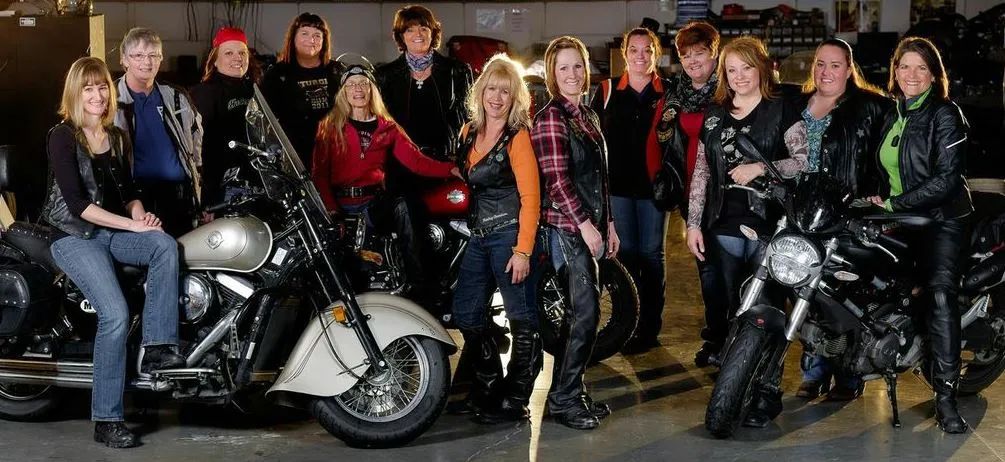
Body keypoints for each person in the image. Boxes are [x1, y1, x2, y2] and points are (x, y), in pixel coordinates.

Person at [43, 57, 184, 449]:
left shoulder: (117, 136)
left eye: (102, 86)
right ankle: (106, 420)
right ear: (75, 93)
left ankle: (157, 348)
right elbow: (77, 205)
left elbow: (129, 192)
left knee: (164, 244)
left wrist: (142, 217)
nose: (97, 95)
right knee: (116, 314)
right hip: (73, 236)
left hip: (110, 231)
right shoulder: (62, 136)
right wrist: (130, 225)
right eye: (88, 88)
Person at [685, 36, 809, 427]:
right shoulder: (715, 115)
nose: (739, 77)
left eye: (746, 68)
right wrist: (692, 223)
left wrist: (760, 167)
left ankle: (766, 395)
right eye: (732, 70)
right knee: (728, 313)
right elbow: (701, 172)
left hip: (769, 227)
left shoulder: (781, 109)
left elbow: (802, 162)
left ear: (762, 68)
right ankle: (733, 389)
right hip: (720, 227)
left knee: (767, 315)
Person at [866, 37, 973, 434]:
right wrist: (874, 197)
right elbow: (883, 167)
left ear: (933, 75)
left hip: (941, 218)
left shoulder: (945, 113)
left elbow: (947, 179)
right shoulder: (893, 112)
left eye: (921, 68)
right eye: (904, 66)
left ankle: (946, 399)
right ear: (894, 71)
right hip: (901, 215)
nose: (911, 75)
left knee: (940, 294)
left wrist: (895, 203)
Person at [790, 38, 890, 401]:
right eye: (820, 64)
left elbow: (888, 152)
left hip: (846, 213)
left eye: (835, 65)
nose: (826, 71)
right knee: (807, 293)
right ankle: (814, 371)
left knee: (846, 296)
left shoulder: (872, 106)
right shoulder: (797, 104)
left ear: (849, 69)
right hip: (803, 212)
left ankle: (848, 374)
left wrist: (879, 189)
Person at [532, 36, 620, 431]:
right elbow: (557, 181)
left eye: (578, 66)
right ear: (552, 74)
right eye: (563, 67)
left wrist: (609, 223)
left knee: (583, 313)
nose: (572, 74)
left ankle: (571, 392)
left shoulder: (588, 115)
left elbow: (600, 176)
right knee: (583, 313)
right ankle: (564, 399)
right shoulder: (551, 117)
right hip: (567, 229)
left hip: (591, 226)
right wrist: (586, 225)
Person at [449, 55, 542, 424]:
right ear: (480, 92)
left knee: (522, 320)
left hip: (509, 235)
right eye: (491, 89)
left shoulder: (517, 137)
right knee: (465, 313)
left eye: (505, 91)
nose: (497, 97)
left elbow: (531, 198)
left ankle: (515, 399)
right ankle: (488, 385)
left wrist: (523, 251)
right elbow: (462, 174)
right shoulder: (468, 132)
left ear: (515, 97)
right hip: (477, 235)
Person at [311, 61, 458, 284]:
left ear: (372, 89)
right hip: (340, 205)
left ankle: (418, 284)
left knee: (404, 205)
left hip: (373, 205)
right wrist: (331, 211)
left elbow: (416, 161)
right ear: (343, 92)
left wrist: (452, 169)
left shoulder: (387, 126)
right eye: (351, 84)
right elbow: (319, 174)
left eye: (363, 83)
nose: (358, 89)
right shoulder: (329, 127)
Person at [590, 27, 669, 355]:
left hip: (654, 190)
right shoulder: (607, 90)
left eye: (647, 50)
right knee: (625, 256)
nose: (641, 56)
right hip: (617, 189)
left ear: (656, 54)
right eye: (634, 50)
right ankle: (626, 326)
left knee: (651, 256)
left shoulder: (668, 92)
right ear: (624, 53)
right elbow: (592, 139)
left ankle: (649, 328)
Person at [655, 20, 723, 367]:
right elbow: (665, 141)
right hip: (690, 192)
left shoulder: (728, 89)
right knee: (707, 271)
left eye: (700, 53)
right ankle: (716, 338)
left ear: (714, 53)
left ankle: (741, 343)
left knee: (732, 270)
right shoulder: (676, 93)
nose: (693, 61)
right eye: (686, 55)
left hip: (726, 191)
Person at [114, 27, 203, 237]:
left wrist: (199, 194)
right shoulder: (109, 99)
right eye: (138, 55)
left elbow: (197, 144)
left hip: (178, 199)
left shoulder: (177, 97)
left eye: (153, 55)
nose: (147, 62)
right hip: (135, 201)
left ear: (161, 59)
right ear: (124, 60)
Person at [375, 4, 473, 164]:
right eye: (410, 30)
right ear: (401, 36)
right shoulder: (384, 74)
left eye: (423, 28)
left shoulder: (457, 70)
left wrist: (461, 154)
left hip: (446, 159)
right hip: (400, 161)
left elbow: (470, 118)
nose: (418, 34)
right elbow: (380, 122)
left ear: (433, 33)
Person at [190, 27, 261, 212]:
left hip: (254, 181)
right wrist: (207, 197)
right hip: (220, 187)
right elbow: (200, 148)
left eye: (242, 53)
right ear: (214, 60)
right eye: (229, 53)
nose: (237, 58)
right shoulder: (203, 93)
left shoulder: (255, 90)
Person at [262, 12, 341, 168]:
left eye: (317, 35)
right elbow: (266, 119)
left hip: (334, 152)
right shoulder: (276, 74)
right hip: (293, 156)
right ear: (293, 38)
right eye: (305, 33)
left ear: (324, 40)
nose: (311, 40)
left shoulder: (337, 71)